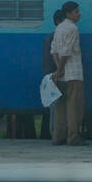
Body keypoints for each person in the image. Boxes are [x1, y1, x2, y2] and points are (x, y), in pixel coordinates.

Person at [51, 0, 85, 145]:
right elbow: (66, 51)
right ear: (69, 14)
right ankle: (72, 137)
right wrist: (61, 69)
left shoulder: (59, 28)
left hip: (61, 74)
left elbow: (54, 51)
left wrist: (58, 70)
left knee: (60, 107)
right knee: (74, 106)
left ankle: (58, 136)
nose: (79, 14)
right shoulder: (72, 28)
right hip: (73, 73)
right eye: (76, 11)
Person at [41, 8, 65, 140]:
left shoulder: (48, 37)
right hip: (56, 75)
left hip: (52, 75)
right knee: (57, 107)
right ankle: (56, 134)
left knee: (55, 108)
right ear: (58, 22)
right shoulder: (54, 37)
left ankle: (55, 133)